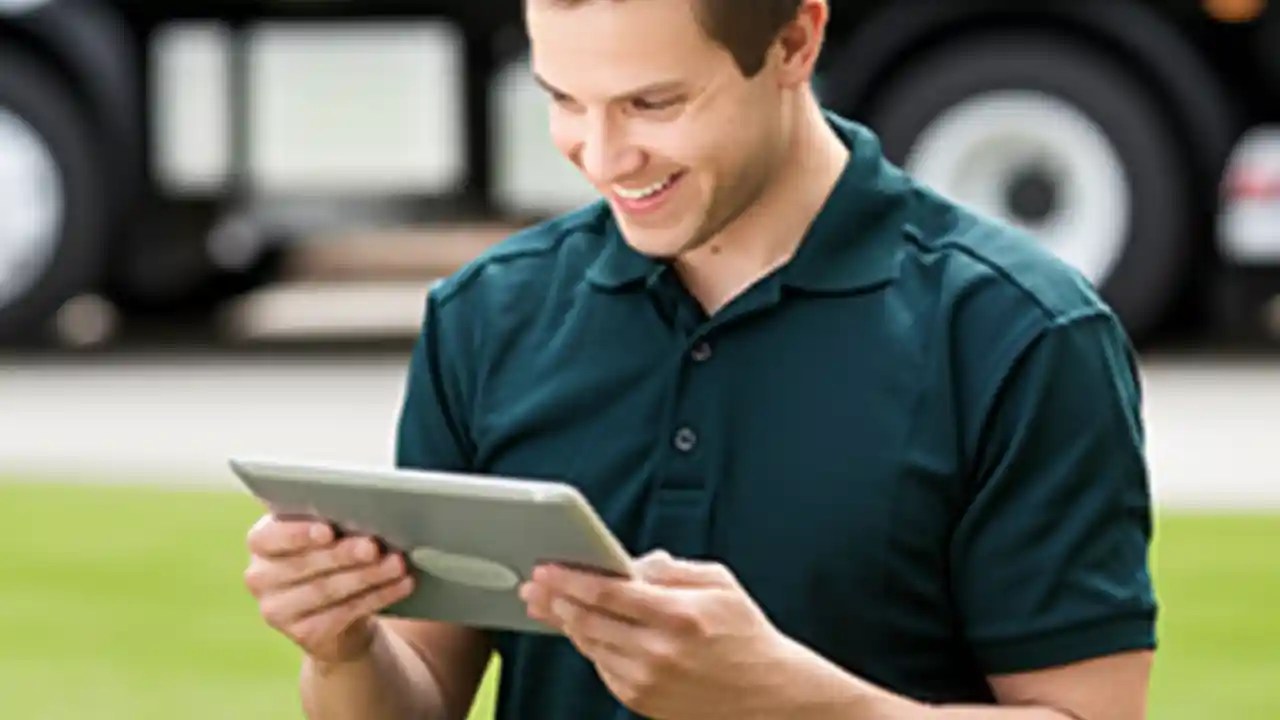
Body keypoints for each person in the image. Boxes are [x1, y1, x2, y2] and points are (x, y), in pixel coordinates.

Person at [242, 0, 1158, 718]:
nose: (602, 157)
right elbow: (423, 701)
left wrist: (785, 701)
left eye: (654, 102)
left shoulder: (1022, 334)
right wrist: (345, 646)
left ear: (796, 42)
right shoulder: (487, 315)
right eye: (563, 100)